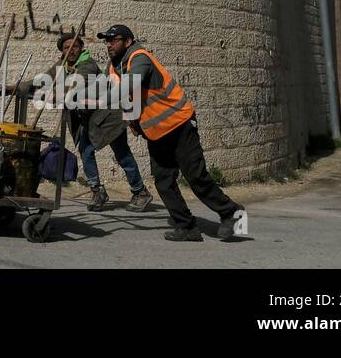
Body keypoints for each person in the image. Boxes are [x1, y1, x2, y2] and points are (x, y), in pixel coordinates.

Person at [99, 24, 245, 241]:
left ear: (127, 41)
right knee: (163, 182)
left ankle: (232, 213)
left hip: (179, 125)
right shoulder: (113, 68)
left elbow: (129, 87)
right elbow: (100, 88)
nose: (109, 44)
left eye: (114, 39)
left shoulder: (139, 57)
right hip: (156, 133)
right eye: (107, 41)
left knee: (196, 176)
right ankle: (186, 227)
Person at [41, 32, 153, 212]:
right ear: (62, 51)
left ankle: (140, 191)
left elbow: (77, 85)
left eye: (75, 46)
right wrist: (15, 87)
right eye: (66, 47)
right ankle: (97, 190)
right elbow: (44, 81)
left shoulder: (87, 65)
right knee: (86, 151)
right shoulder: (63, 66)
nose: (71, 50)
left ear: (81, 48)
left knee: (121, 154)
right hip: (92, 121)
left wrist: (58, 93)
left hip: (109, 117)